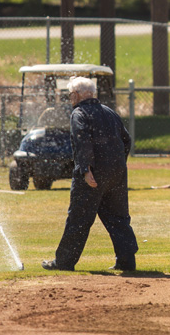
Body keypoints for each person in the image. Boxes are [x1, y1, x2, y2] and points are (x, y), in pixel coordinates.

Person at [42, 76, 138, 272]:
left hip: (92, 175)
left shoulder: (79, 114)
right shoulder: (110, 113)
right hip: (117, 174)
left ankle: (64, 262)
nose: (70, 99)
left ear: (76, 95)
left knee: (79, 218)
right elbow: (126, 140)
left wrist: (86, 170)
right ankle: (127, 261)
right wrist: (118, 164)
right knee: (118, 218)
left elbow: (82, 142)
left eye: (70, 95)